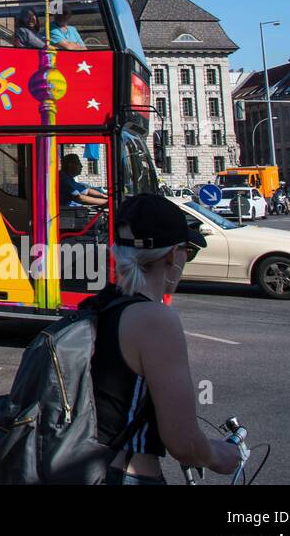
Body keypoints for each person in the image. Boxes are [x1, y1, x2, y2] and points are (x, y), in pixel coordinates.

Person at [83, 194, 245, 485]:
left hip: (88, 467)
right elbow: (182, 442)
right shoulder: (155, 319)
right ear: (173, 256)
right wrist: (223, 456)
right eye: (189, 252)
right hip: (125, 475)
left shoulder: (103, 304)